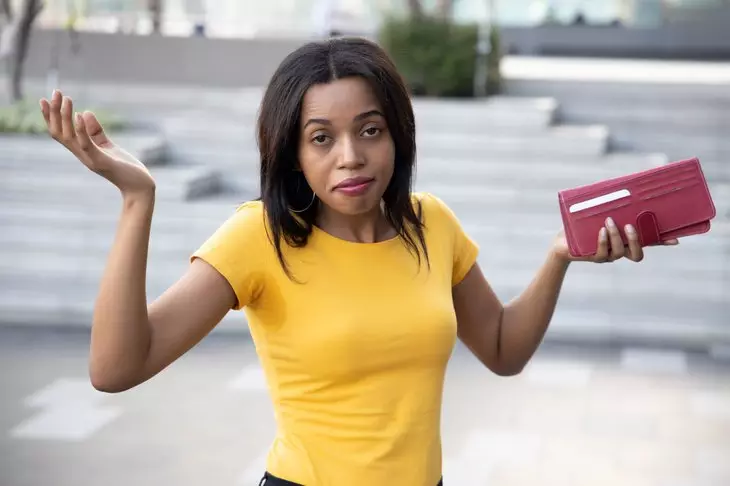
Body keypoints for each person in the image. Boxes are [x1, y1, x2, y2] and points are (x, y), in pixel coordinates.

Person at [39, 37, 678, 486]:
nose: (351, 155)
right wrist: (136, 198)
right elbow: (115, 368)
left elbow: (504, 349)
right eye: (322, 138)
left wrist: (560, 257)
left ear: (397, 135)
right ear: (293, 153)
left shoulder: (433, 225)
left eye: (370, 129)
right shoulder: (259, 237)